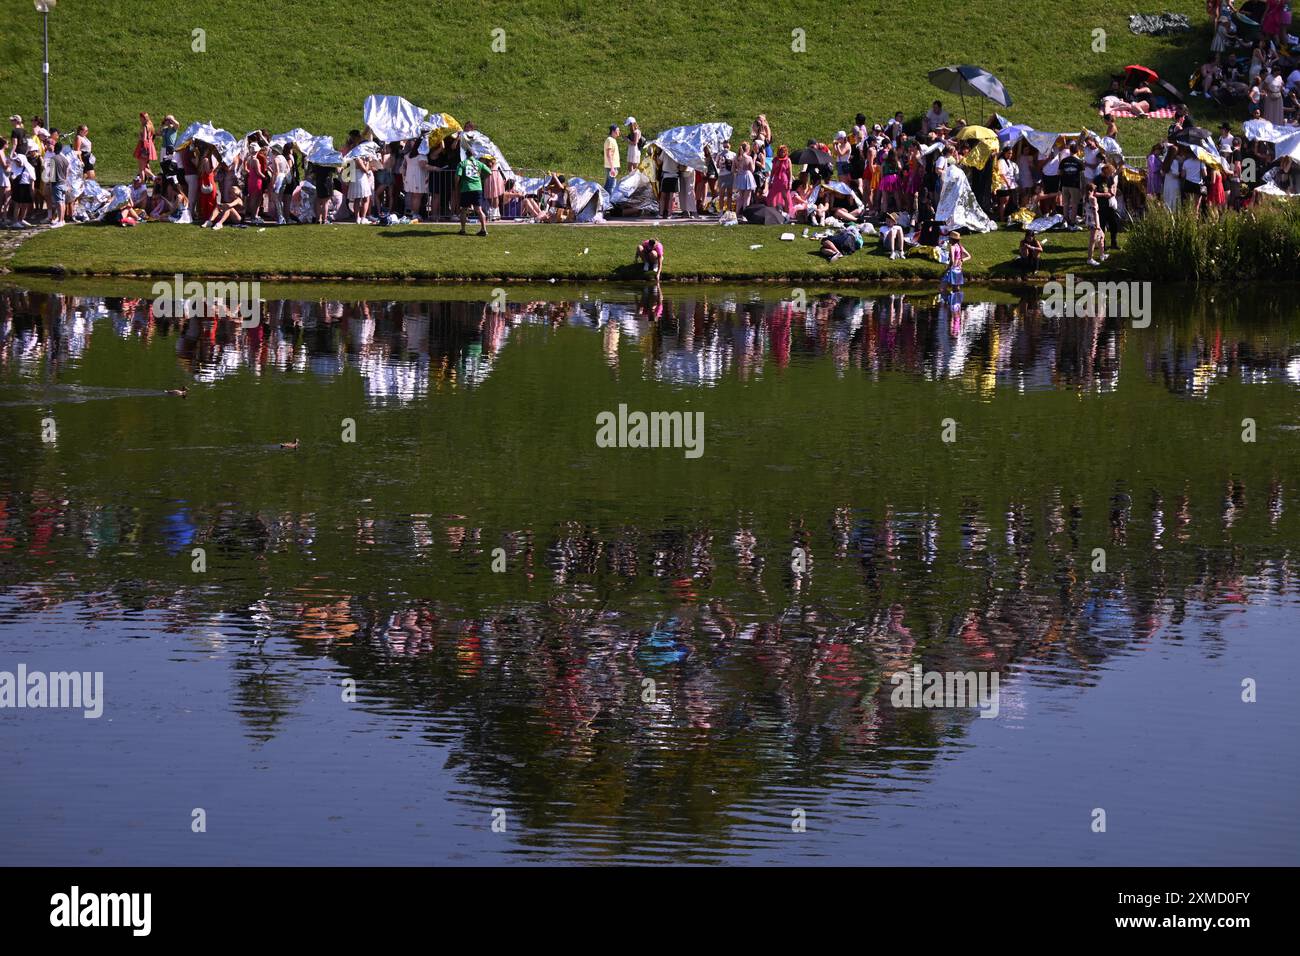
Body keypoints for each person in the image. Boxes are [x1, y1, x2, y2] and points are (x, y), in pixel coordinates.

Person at [457, 149, 491, 236]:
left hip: (466, 188)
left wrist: (456, 186)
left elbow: (458, 176)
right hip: (477, 188)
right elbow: (489, 172)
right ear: (474, 155)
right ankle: (484, 229)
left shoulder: (462, 163)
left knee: (464, 210)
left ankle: (463, 229)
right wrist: (482, 178)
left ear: (466, 154)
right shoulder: (479, 163)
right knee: (479, 210)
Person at [403, 140, 429, 221]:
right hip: (418, 176)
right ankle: (415, 214)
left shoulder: (408, 154)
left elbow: (404, 166)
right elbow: (423, 165)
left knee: (414, 196)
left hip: (411, 176)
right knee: (417, 196)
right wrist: (436, 168)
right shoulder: (420, 155)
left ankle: (413, 213)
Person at [1084, 182, 1106, 265]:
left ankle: (1102, 255)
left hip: (1089, 221)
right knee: (1092, 241)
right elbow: (1095, 212)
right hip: (1094, 221)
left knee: (1102, 237)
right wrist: (1098, 225)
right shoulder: (1093, 199)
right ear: (1092, 190)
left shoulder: (1085, 197)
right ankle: (1090, 259)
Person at [767, 145, 793, 214]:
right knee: (771, 196)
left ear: (786, 152)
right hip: (776, 180)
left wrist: (790, 183)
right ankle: (772, 212)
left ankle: (787, 213)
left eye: (784, 152)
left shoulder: (788, 160)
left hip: (784, 180)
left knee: (785, 197)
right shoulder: (775, 160)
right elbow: (772, 171)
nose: (782, 153)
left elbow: (790, 173)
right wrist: (770, 180)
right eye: (781, 152)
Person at [732, 142, 756, 211]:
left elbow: (733, 170)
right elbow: (752, 169)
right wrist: (754, 160)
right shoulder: (749, 158)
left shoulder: (735, 158)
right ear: (747, 149)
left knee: (740, 197)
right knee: (747, 197)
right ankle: (745, 215)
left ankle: (736, 213)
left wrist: (739, 171)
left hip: (739, 177)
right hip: (747, 177)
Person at [603, 124, 620, 193]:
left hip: (612, 166)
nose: (619, 132)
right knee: (612, 185)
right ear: (613, 131)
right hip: (612, 166)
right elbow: (608, 154)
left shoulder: (612, 140)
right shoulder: (610, 140)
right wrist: (612, 168)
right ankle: (609, 201)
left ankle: (604, 199)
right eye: (617, 130)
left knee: (608, 184)